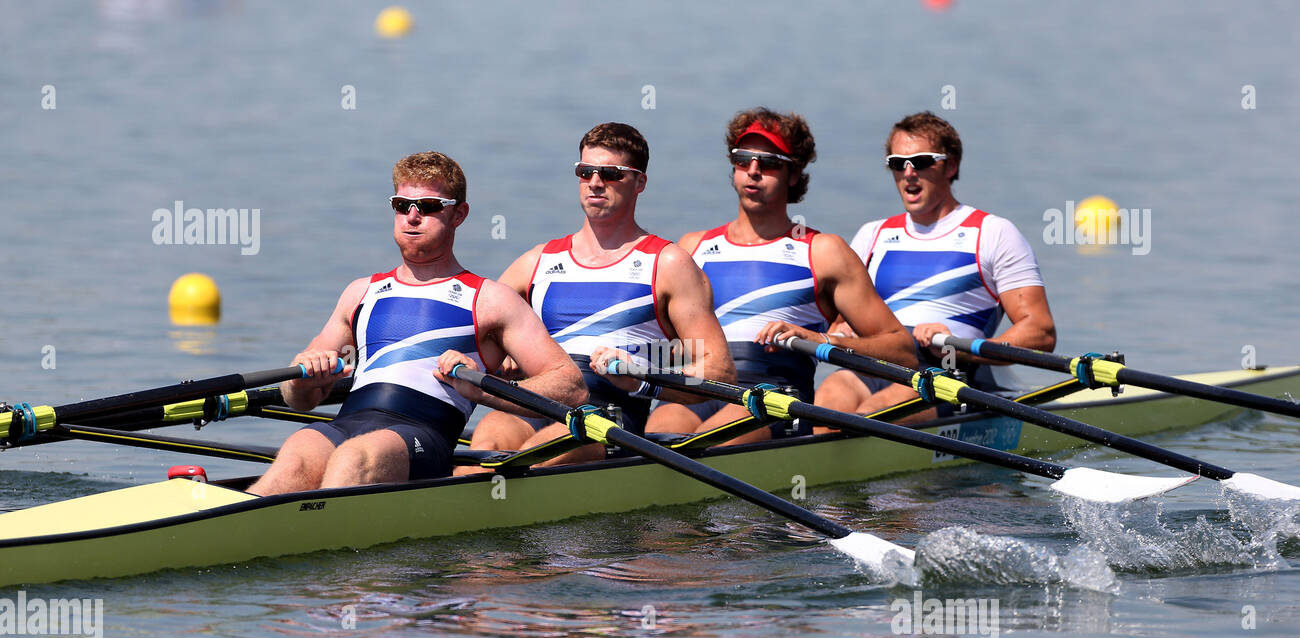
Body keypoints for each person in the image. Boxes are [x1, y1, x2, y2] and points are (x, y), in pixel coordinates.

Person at [248, 152, 585, 495]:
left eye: (427, 206)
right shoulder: (361, 292)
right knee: (296, 455)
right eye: (402, 205)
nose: (412, 216)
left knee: (356, 457)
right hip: (347, 424)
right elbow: (299, 400)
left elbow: (571, 386)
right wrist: (303, 379)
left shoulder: (490, 300)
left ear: (459, 214)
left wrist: (482, 389)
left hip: (422, 439)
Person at [465, 123, 734, 468]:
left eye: (610, 173)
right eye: (585, 171)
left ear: (640, 183)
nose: (595, 182)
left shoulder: (668, 264)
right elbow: (473, 332)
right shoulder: (537, 263)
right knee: (486, 438)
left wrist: (643, 379)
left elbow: (719, 371)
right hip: (535, 404)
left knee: (536, 456)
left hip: (609, 420)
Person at [646, 108, 915, 444]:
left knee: (700, 444)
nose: (753, 171)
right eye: (743, 160)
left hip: (776, 396)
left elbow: (903, 351)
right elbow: (666, 343)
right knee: (655, 436)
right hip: (702, 386)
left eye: (769, 162)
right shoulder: (693, 247)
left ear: (793, 173)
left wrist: (821, 341)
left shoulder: (823, 252)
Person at [816, 111, 1057, 416]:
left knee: (872, 415)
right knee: (827, 402)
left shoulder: (993, 233)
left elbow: (1041, 331)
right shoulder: (872, 235)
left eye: (920, 161)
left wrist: (960, 348)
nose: (908, 173)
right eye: (896, 163)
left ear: (951, 165)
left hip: (946, 374)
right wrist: (843, 327)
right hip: (874, 366)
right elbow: (836, 322)